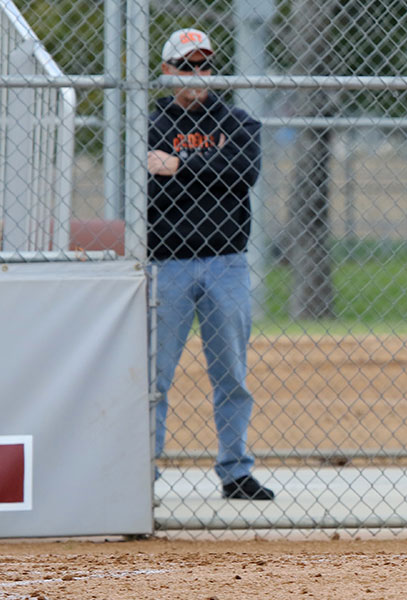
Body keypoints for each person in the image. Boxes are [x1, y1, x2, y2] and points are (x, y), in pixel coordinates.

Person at [147, 28, 273, 501]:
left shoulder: (237, 122)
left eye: (203, 65)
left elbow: (244, 171)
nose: (196, 74)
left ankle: (235, 470)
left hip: (226, 261)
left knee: (231, 374)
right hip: (167, 263)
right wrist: (208, 174)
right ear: (167, 71)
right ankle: (144, 471)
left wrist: (177, 167)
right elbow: (149, 190)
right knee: (155, 376)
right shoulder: (152, 123)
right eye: (186, 65)